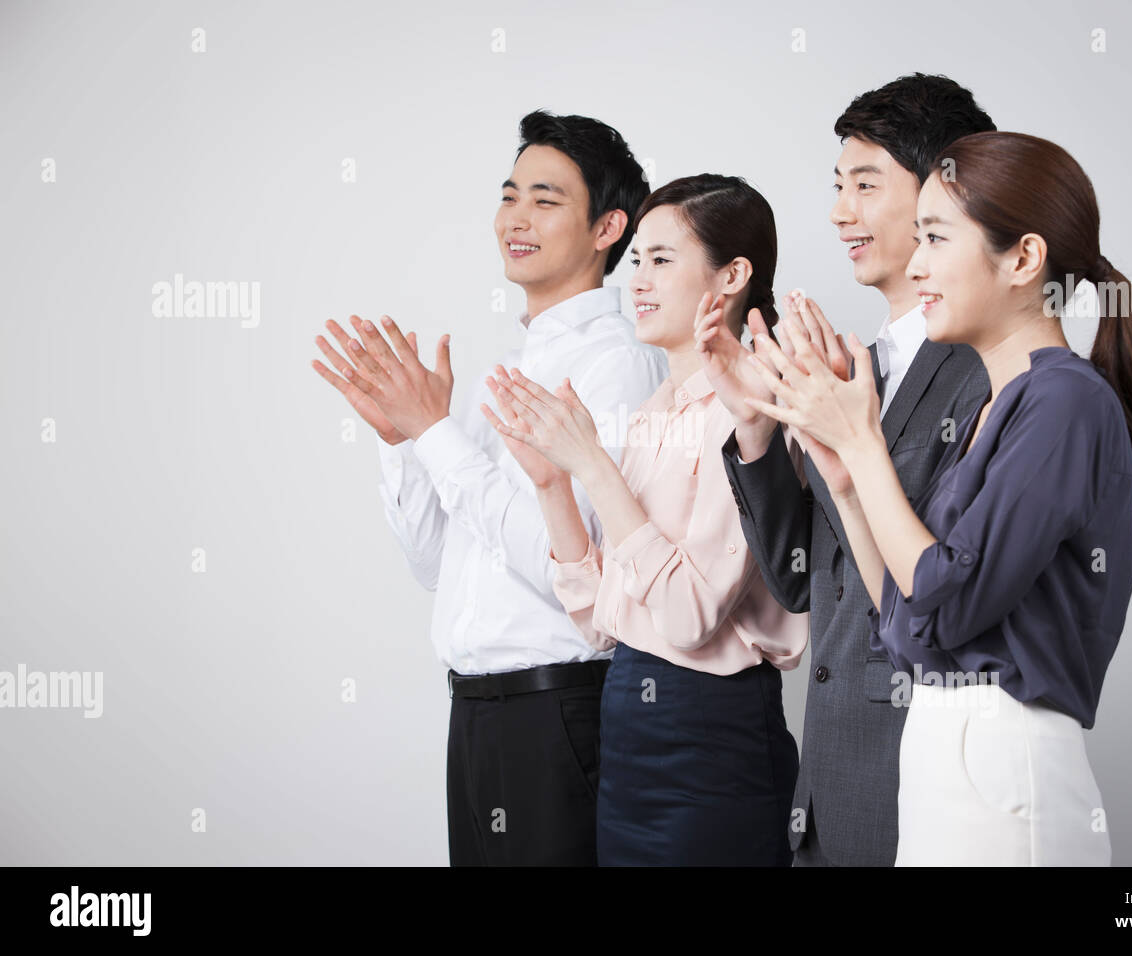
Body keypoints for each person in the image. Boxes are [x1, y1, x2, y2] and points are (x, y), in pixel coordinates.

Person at [743, 130, 1132, 865]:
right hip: (944, 756)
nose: (916, 264)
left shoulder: (1063, 401)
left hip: (1000, 760)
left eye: (935, 237)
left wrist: (864, 443)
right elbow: (901, 619)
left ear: (1022, 259)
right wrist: (844, 476)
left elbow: (947, 603)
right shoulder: (996, 405)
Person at [309, 110, 667, 866]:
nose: (517, 218)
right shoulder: (502, 370)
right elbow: (437, 568)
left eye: (545, 198)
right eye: (509, 195)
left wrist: (435, 432)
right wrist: (405, 442)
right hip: (476, 715)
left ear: (609, 228)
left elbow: (576, 575)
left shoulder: (617, 365)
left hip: (559, 712)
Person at [700, 73, 994, 865]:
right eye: (837, 186)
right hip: (824, 785)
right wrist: (757, 427)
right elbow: (803, 581)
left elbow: (946, 587)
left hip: (915, 774)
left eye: (866, 185)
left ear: (945, 194)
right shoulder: (856, 367)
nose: (840, 213)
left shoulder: (986, 374)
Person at [482, 175, 807, 866]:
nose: (639, 281)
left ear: (732, 276)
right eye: (637, 261)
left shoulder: (753, 408)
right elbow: (600, 623)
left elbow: (691, 617)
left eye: (662, 259)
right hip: (628, 723)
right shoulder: (659, 406)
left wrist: (594, 466)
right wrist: (553, 485)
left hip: (714, 737)